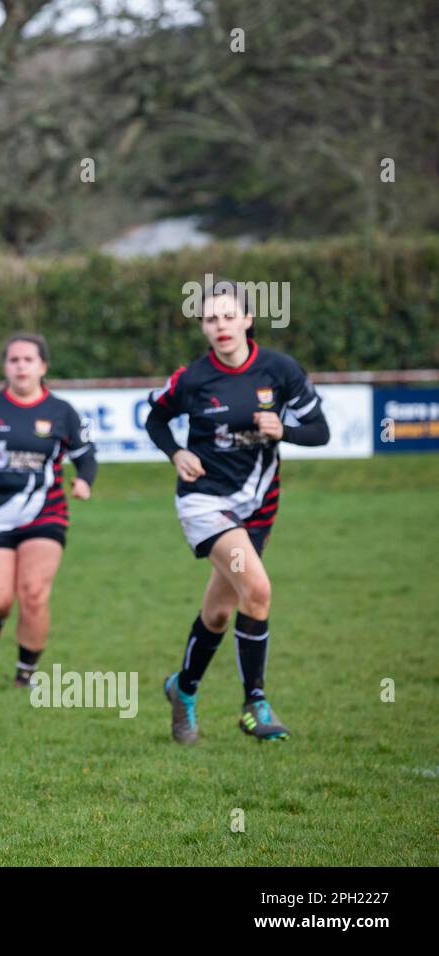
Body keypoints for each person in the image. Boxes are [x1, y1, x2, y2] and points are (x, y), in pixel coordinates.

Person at [148, 279, 328, 743]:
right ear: (204, 328)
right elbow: (155, 418)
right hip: (205, 500)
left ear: (248, 320)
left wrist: (284, 429)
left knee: (220, 613)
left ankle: (182, 689)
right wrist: (175, 453)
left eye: (229, 316)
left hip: (259, 507)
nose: (221, 325)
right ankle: (255, 704)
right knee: (259, 589)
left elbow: (320, 430)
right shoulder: (192, 379)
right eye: (211, 319)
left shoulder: (280, 369)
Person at [0, 333, 97, 687]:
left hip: (45, 512)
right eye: (14, 360)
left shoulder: (62, 411)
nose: (20, 366)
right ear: (5, 367)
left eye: (28, 359)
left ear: (42, 366)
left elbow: (85, 454)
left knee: (33, 592)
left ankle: (25, 673)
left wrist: (84, 481)